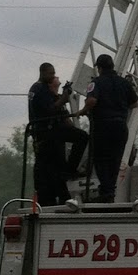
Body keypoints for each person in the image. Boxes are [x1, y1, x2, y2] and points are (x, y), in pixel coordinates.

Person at [27, 61, 86, 206]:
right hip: (48, 133)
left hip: (47, 135)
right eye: (51, 74)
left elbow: (65, 119)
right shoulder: (40, 89)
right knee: (82, 137)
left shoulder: (40, 89)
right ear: (43, 73)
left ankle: (63, 183)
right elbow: (50, 110)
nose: (53, 76)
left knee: (53, 170)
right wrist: (64, 99)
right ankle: (69, 170)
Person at [83, 53, 138, 203]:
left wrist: (83, 110)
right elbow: (134, 103)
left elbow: (92, 101)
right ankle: (109, 192)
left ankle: (106, 192)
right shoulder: (124, 83)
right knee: (115, 160)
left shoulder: (97, 83)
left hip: (103, 126)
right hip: (120, 127)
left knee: (100, 159)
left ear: (99, 68)